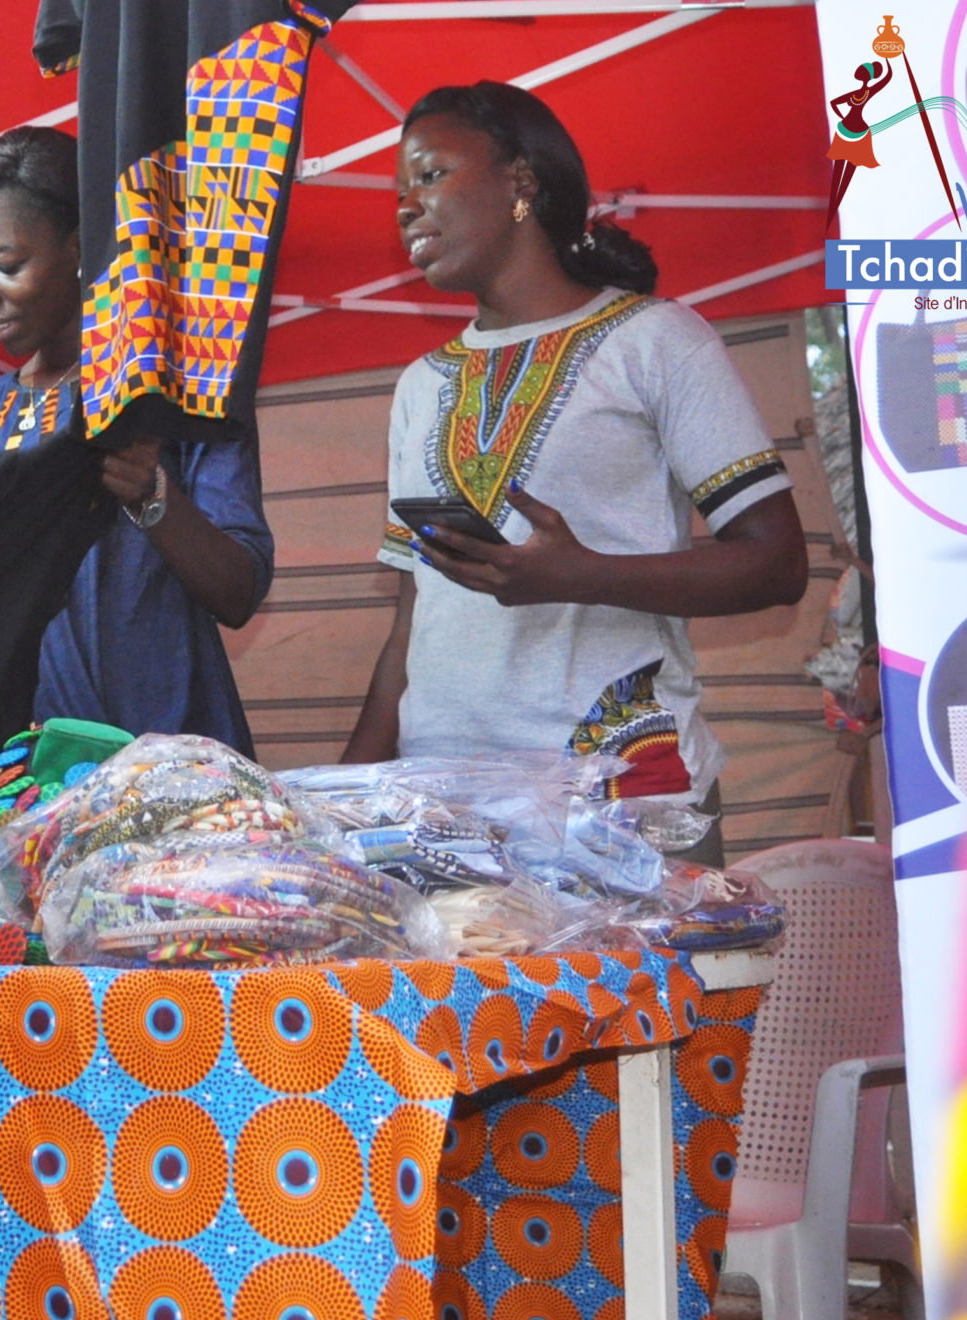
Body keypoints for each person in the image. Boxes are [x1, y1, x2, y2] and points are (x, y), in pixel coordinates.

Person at [342, 83, 807, 864]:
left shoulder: (657, 341)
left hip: (619, 802)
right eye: (398, 191)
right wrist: (347, 791)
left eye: (428, 175)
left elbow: (779, 562)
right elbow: (411, 623)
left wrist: (582, 574)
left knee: (640, 994)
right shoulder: (422, 384)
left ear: (521, 182)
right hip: (447, 816)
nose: (404, 206)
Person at [0, 127, 274, 753]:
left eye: (6, 265)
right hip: (33, 772)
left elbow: (239, 592)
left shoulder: (180, 386)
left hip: (175, 759)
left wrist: (154, 498)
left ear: (79, 246)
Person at [826, 59, 894, 225]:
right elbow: (834, 103)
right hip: (852, 130)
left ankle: (840, 208)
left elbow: (834, 103)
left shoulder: (862, 92)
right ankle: (838, 208)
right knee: (846, 172)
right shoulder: (863, 92)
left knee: (848, 173)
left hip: (850, 130)